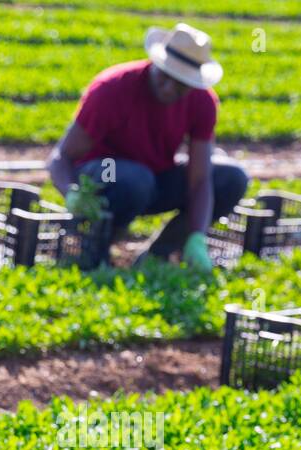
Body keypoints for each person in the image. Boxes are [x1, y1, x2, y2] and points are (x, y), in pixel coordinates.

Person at [45, 22, 251, 272]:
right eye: (166, 77)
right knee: (133, 179)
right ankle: (96, 247)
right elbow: (61, 156)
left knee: (231, 177)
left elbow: (200, 179)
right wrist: (71, 193)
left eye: (181, 84)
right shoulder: (114, 87)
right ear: (156, 64)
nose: (169, 89)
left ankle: (158, 254)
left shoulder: (202, 101)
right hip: (107, 173)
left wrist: (198, 235)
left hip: (153, 178)